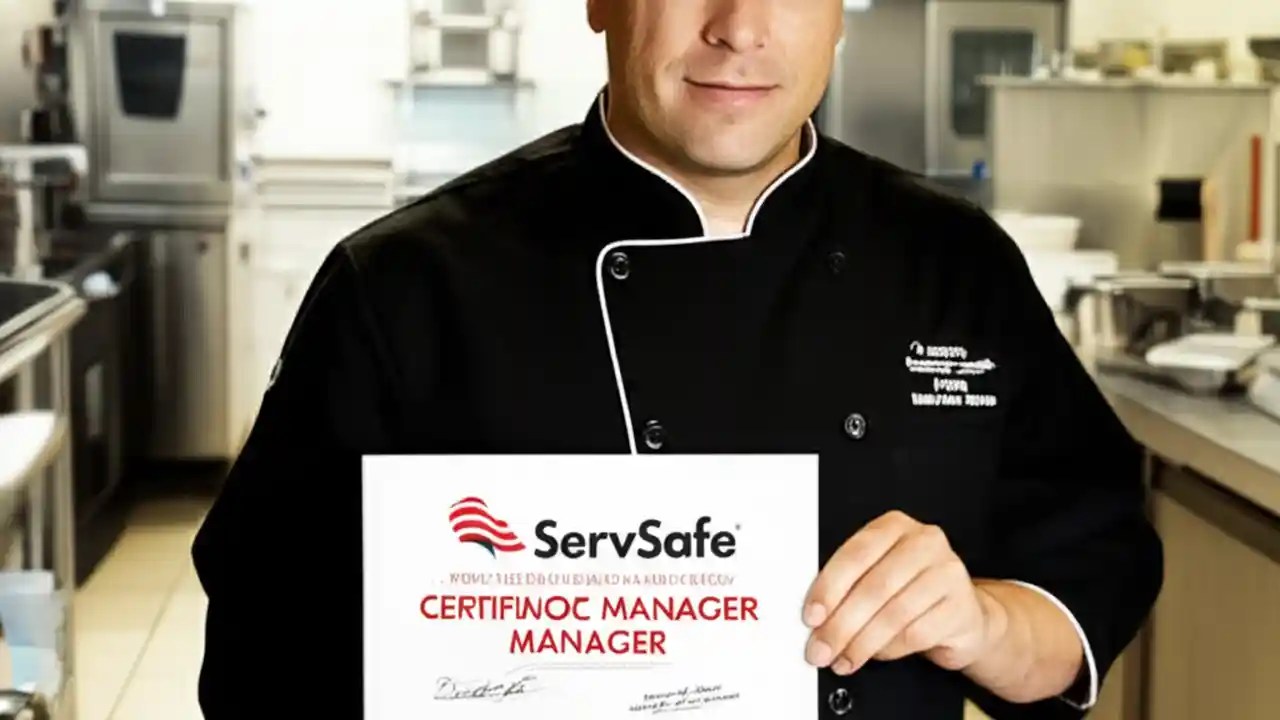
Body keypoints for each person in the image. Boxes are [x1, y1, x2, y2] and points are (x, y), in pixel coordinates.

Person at [191, 1, 1163, 717]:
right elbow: (264, 654)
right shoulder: (402, 286)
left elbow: (1088, 556)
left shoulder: (953, 263)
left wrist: (982, 622)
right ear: (600, 5)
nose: (738, 27)